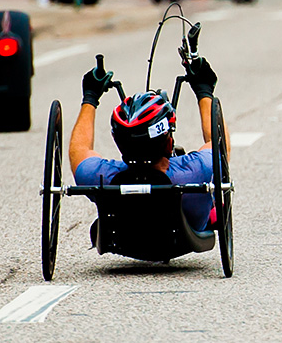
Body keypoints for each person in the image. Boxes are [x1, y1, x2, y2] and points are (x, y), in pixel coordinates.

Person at [71, 52, 223, 236]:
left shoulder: (99, 177)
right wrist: (204, 91)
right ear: (168, 143)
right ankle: (212, 212)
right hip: (181, 235)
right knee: (214, 194)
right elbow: (218, 145)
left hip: (124, 238)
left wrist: (90, 97)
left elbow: (79, 150)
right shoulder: (196, 171)